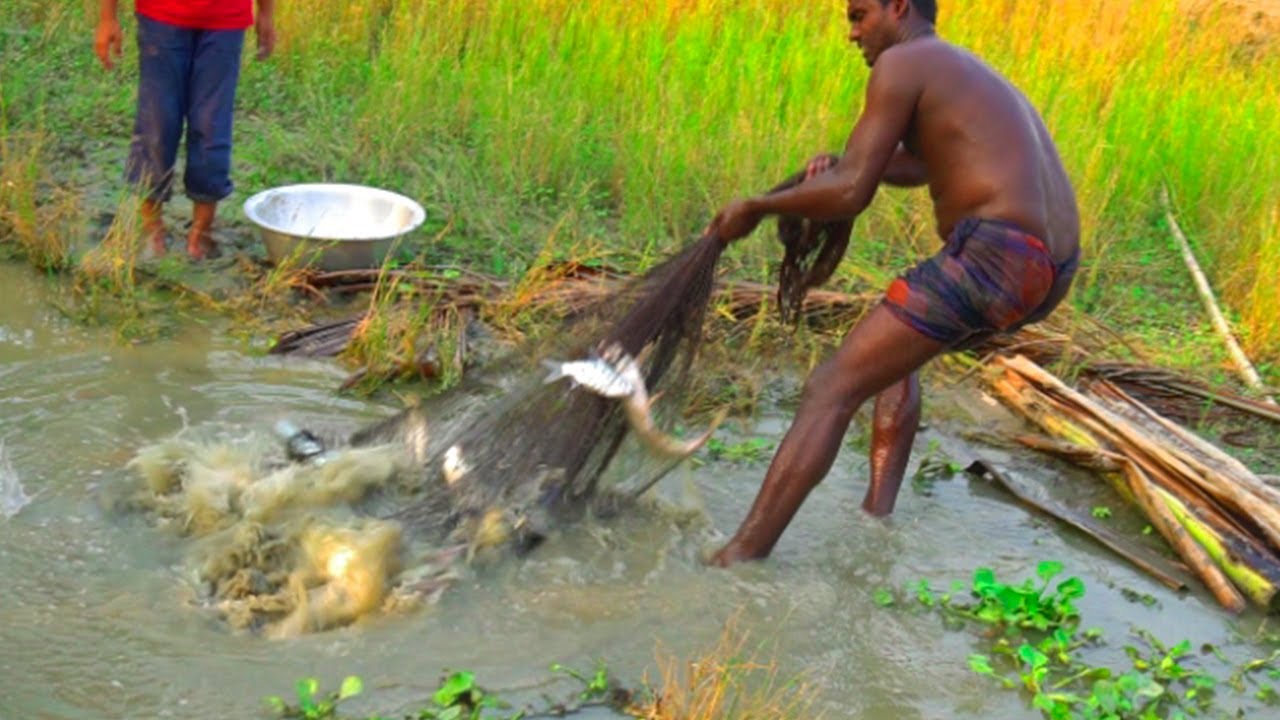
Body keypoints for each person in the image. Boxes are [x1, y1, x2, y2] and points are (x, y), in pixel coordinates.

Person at [704, 0, 1080, 566]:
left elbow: (852, 191)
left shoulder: (903, 63)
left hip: (994, 257)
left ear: (898, 7)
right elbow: (926, 164)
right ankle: (875, 521)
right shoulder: (959, 70)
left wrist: (757, 206)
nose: (852, 35)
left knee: (830, 388)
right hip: (1048, 273)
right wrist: (846, 163)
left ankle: (738, 559)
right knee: (890, 361)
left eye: (859, 16)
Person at [94, 0, 277, 259]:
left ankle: (201, 232)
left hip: (225, 20)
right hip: (161, 18)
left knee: (212, 126)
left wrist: (266, 14)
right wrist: (107, 17)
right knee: (157, 122)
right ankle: (152, 228)